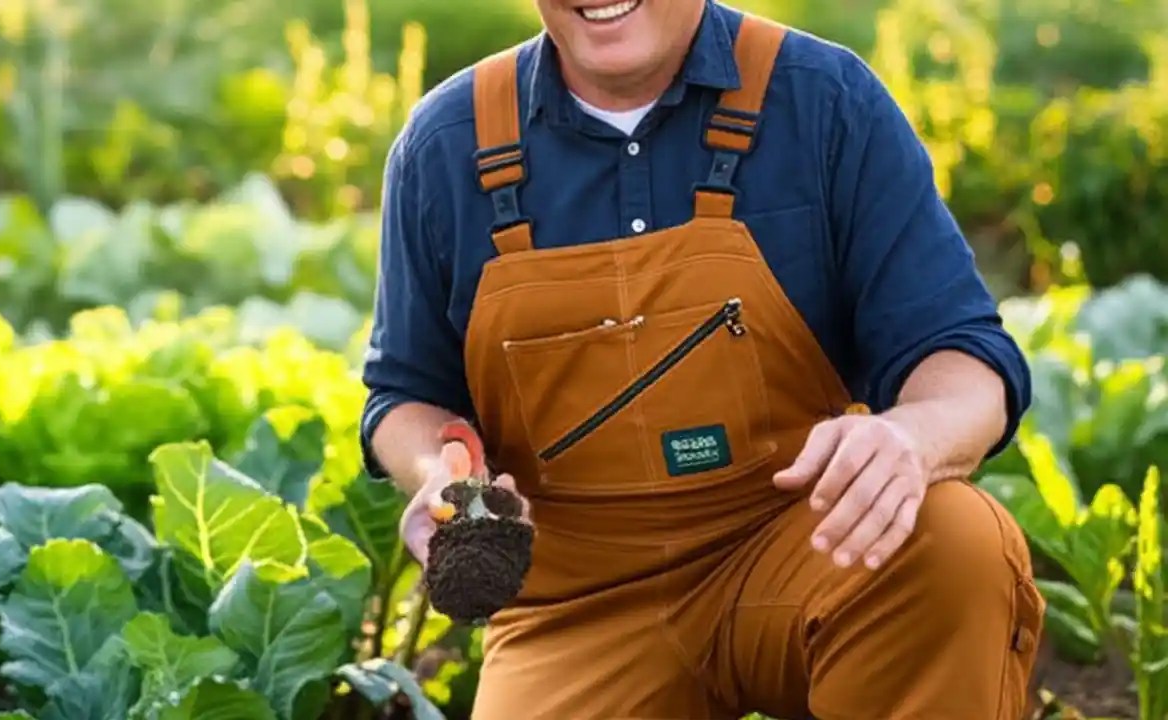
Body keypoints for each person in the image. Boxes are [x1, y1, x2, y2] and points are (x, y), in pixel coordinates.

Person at [359, 0, 1044, 717]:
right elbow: (404, 392)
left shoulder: (825, 99)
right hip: (575, 608)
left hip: (805, 544)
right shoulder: (445, 142)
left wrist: (913, 439)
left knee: (953, 545)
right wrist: (438, 471)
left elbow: (963, 355)